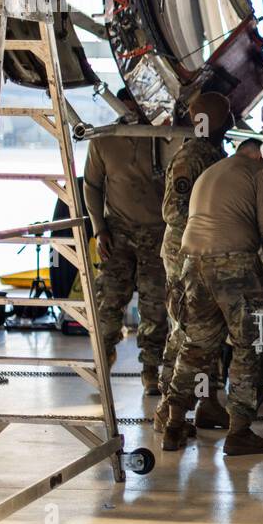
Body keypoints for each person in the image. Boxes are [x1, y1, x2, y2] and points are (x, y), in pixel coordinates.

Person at [158, 138, 263, 455]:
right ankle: (240, 431)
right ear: (260, 154)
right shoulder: (257, 173)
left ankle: (173, 423)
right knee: (249, 345)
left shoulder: (213, 170)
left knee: (196, 344)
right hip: (233, 265)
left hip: (192, 264)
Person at [152, 91, 233, 437]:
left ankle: (206, 400)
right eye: (225, 114)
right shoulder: (191, 157)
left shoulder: (213, 154)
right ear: (209, 120)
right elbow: (173, 211)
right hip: (186, 253)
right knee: (187, 330)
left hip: (204, 251)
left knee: (207, 330)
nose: (231, 120)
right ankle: (168, 409)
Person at [83, 88, 171, 382]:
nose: (134, 111)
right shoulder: (104, 140)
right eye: (128, 105)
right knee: (108, 302)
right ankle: (103, 359)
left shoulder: (163, 137)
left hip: (157, 233)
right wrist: (99, 228)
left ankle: (150, 370)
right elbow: (92, 185)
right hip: (117, 233)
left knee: (155, 306)